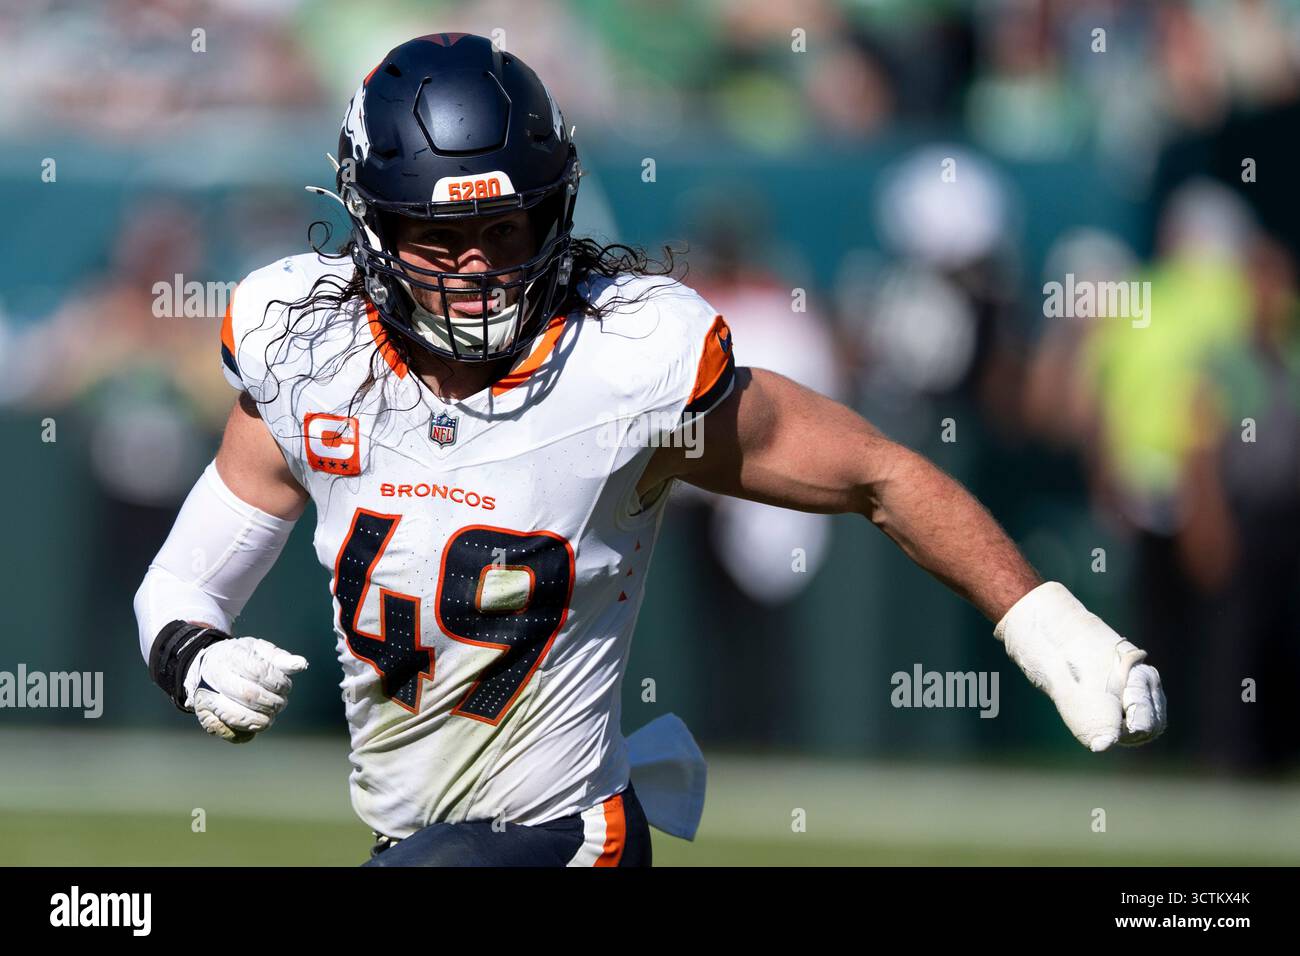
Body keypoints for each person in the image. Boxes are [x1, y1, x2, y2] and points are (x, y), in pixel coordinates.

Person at [132, 33, 1166, 867]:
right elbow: (184, 578)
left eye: (506, 229)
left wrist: (1039, 618)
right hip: (416, 835)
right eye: (439, 240)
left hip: (565, 836)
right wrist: (194, 652)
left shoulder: (623, 357)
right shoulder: (302, 341)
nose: (478, 270)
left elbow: (876, 473)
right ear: (368, 222)